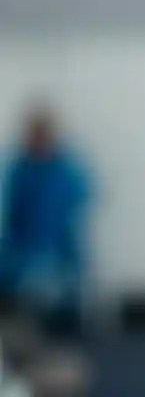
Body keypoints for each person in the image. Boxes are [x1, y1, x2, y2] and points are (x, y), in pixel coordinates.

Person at [0, 104, 91, 341]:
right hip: (22, 253)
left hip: (60, 254)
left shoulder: (66, 170)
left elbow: (76, 207)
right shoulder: (19, 170)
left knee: (55, 289)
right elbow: (13, 216)